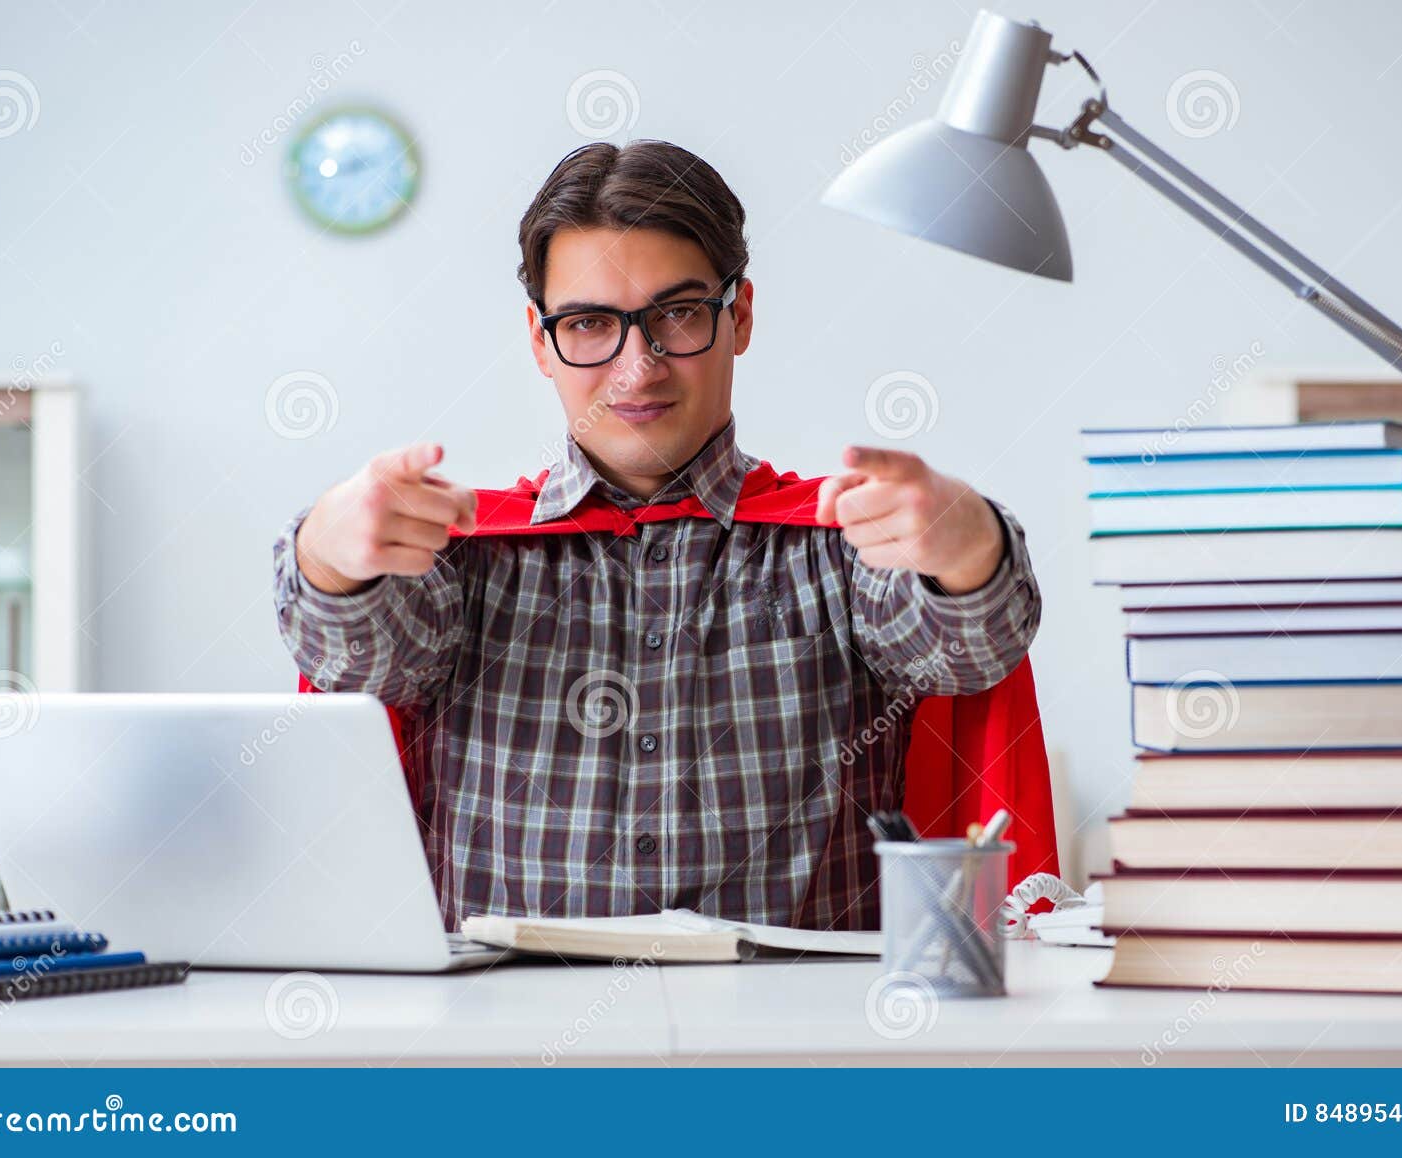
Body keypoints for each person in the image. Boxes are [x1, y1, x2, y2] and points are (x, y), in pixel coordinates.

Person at [273, 139, 1041, 931]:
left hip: (795, 1046)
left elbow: (970, 649)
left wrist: (969, 546)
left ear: (738, 316)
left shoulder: (843, 546)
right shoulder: (461, 559)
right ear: (542, 342)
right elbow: (360, 659)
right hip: (506, 1045)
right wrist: (327, 557)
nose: (637, 370)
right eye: (590, 323)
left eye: (677, 314)